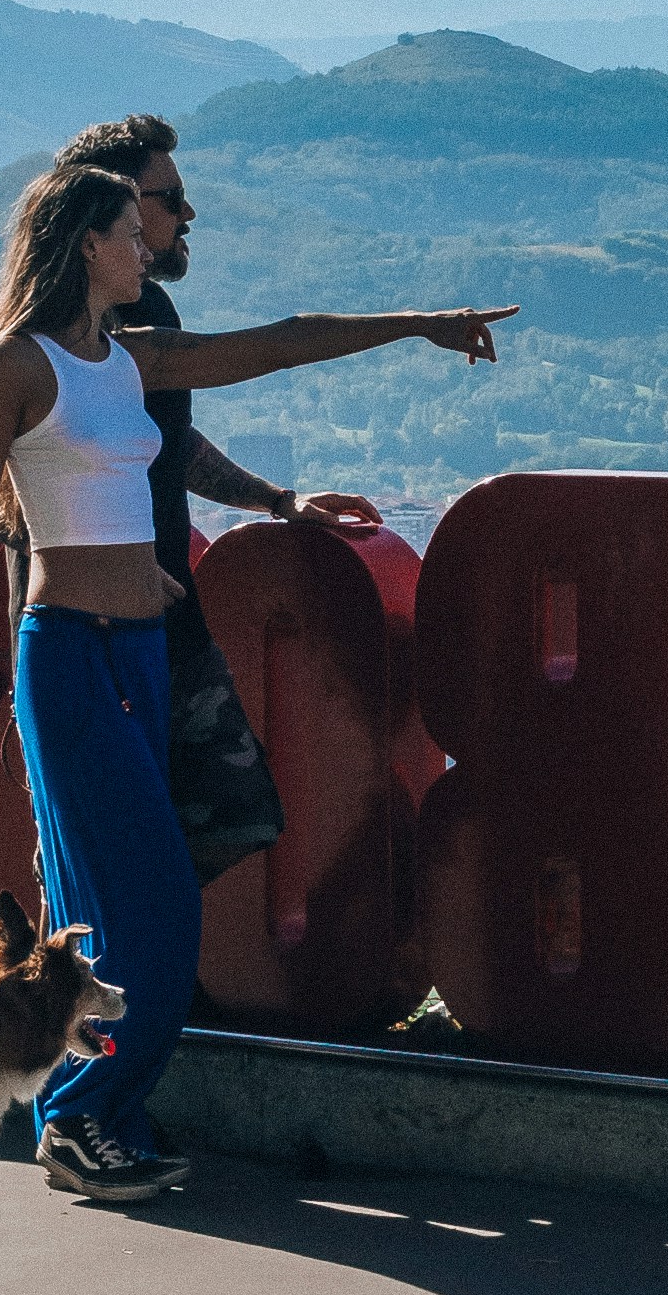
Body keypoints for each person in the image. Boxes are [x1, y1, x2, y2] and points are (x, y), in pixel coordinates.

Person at [0, 161, 509, 1209]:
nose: (143, 247)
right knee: (147, 907)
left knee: (117, 909)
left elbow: (282, 340)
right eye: (124, 232)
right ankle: (76, 1117)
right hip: (64, 650)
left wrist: (420, 323)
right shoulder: (15, 366)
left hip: (141, 654)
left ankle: (96, 1115)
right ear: (79, 246)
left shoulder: (127, 360)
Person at [47, 109, 441, 880]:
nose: (187, 214)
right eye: (167, 200)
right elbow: (269, 346)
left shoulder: (141, 315)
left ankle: (123, 949)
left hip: (168, 611)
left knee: (230, 812)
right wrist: (419, 324)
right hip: (96, 624)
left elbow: (165, 440)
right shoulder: (56, 343)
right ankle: (101, 960)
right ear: (107, 217)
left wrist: (274, 500)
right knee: (121, 823)